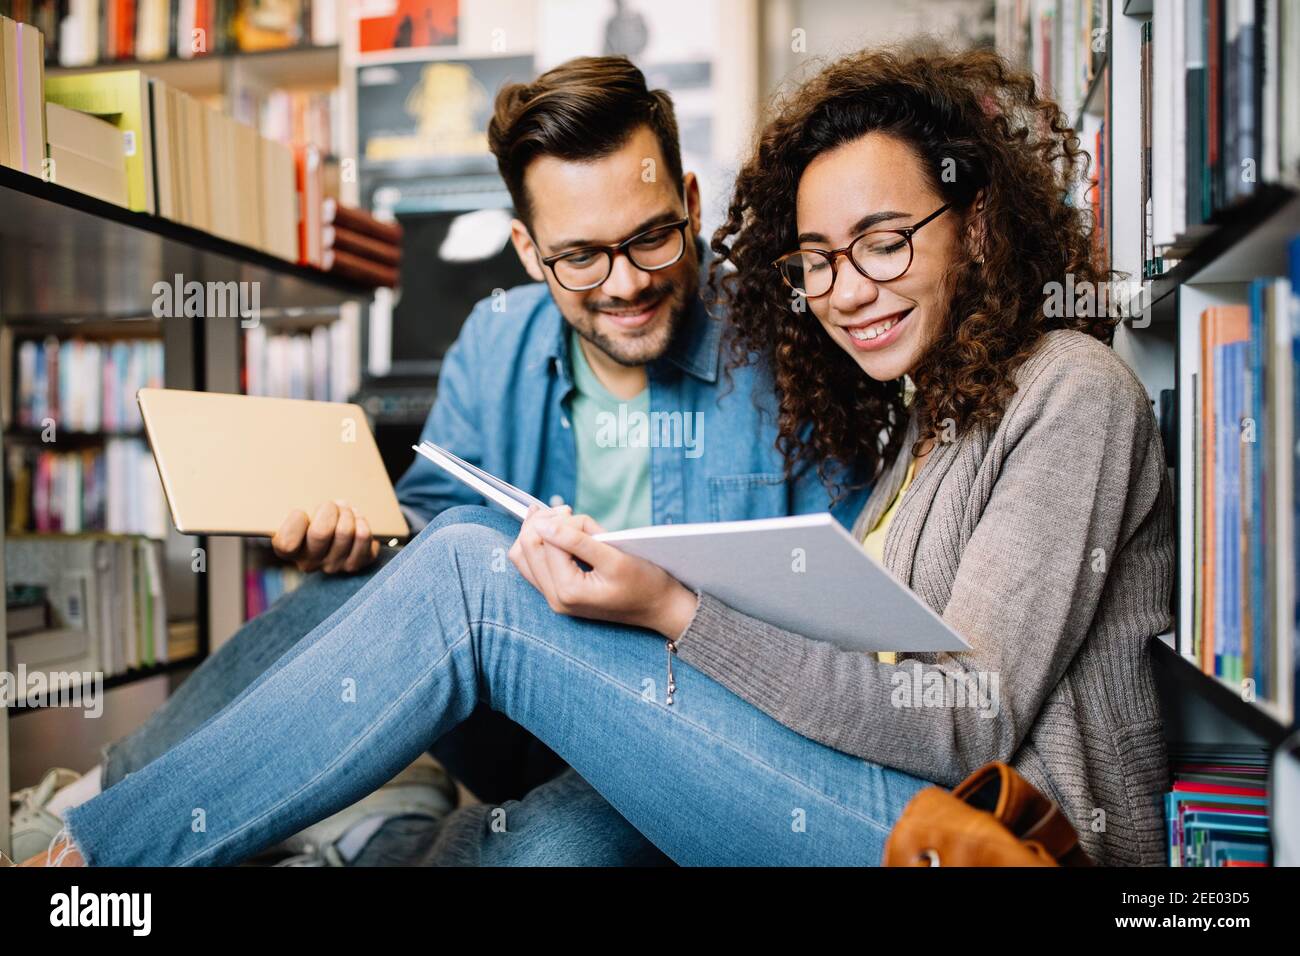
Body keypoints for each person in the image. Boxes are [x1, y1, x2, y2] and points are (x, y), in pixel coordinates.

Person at [34, 44, 1173, 868]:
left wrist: (674, 607)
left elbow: (954, 716)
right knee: (458, 555)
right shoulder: (933, 409)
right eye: (819, 258)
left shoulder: (1070, 389)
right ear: (530, 253)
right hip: (792, 755)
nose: (844, 290)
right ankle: (154, 828)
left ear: (974, 222)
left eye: (882, 243)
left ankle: (116, 861)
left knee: (530, 779)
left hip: (956, 822)